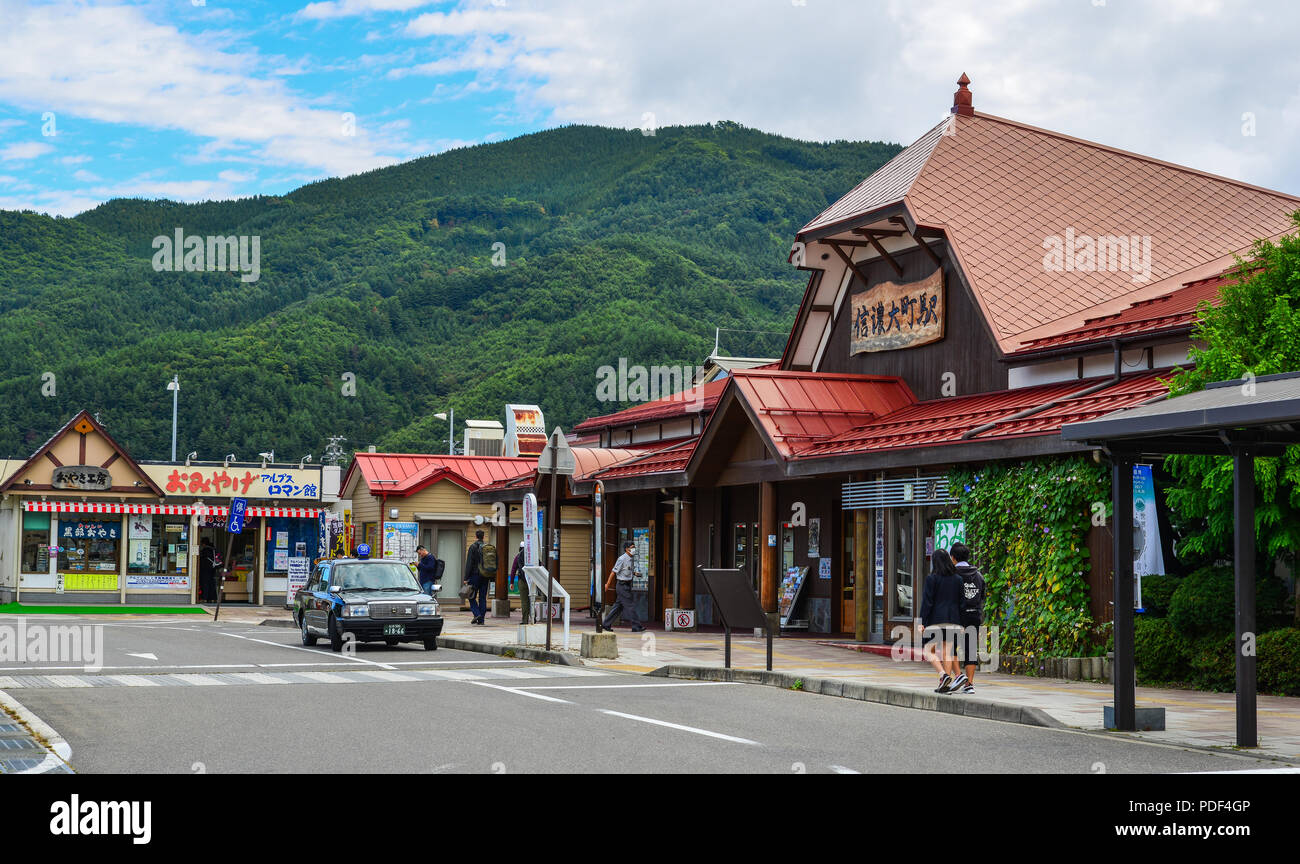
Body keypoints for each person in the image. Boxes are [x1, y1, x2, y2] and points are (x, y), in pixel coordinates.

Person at [919, 547, 965, 694]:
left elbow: (927, 602)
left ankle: (943, 675)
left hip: (936, 620)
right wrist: (962, 623)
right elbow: (962, 603)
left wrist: (922, 622)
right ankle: (945, 684)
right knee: (948, 652)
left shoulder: (932, 579)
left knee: (928, 650)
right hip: (953, 620)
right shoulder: (958, 579)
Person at [951, 542, 986, 695]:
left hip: (957, 616)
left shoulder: (952, 575)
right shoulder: (978, 575)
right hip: (974, 614)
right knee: (971, 649)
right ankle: (969, 684)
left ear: (953, 558)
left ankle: (958, 676)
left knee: (950, 647)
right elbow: (983, 595)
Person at [601, 541, 643, 633]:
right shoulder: (622, 559)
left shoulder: (631, 558)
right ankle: (636, 626)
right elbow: (613, 572)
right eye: (632, 547)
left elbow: (627, 570)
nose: (634, 549)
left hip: (627, 585)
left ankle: (606, 624)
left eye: (634, 547)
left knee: (618, 607)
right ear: (627, 549)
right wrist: (607, 584)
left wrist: (635, 574)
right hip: (622, 586)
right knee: (630, 605)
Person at [464, 529, 489, 625]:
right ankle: (481, 620)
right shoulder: (487, 547)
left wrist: (466, 578)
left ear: (475, 536)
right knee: (482, 597)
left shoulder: (473, 547)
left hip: (475, 575)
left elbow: (469, 563)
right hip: (485, 575)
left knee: (471, 596)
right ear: (483, 537)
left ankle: (477, 613)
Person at [508, 541, 529, 624]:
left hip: (522, 581)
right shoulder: (532, 556)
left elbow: (513, 570)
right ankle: (533, 617)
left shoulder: (518, 556)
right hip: (531, 581)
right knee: (531, 599)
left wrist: (512, 582)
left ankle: (525, 620)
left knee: (524, 601)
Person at [199, 539, 216, 603]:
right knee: (212, 583)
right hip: (212, 569)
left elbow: (201, 561)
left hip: (205, 570)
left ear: (203, 544)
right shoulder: (213, 550)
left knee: (205, 584)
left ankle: (205, 598)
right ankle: (213, 598)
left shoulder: (204, 551)